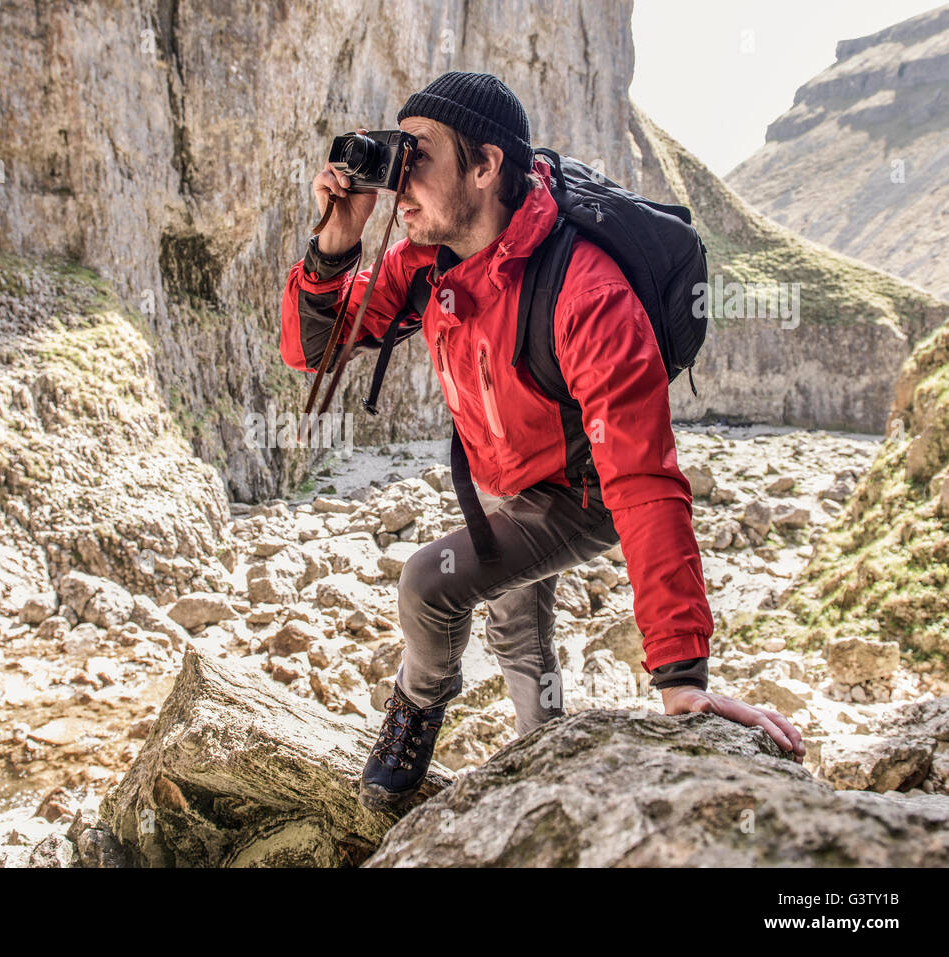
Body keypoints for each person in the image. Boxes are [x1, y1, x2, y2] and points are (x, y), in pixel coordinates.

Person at [278, 71, 806, 812]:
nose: (401, 178)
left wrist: (682, 678)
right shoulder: (426, 258)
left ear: (487, 166)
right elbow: (314, 354)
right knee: (519, 631)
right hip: (503, 473)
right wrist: (336, 245)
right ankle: (545, 757)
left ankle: (414, 710)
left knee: (430, 584)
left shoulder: (586, 292)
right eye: (399, 154)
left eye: (418, 157)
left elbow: (646, 479)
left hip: (578, 493)